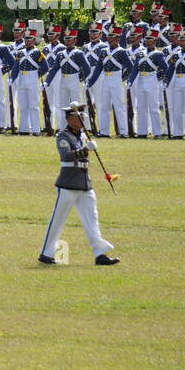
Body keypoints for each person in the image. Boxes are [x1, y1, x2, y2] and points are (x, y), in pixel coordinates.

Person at [39, 102, 119, 265]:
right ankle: (47, 254)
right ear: (70, 119)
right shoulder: (63, 136)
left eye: (83, 117)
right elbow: (66, 156)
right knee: (58, 220)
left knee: (92, 219)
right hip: (68, 183)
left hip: (84, 183)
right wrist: (85, 149)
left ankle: (100, 253)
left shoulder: (82, 135)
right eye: (79, 117)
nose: (83, 120)